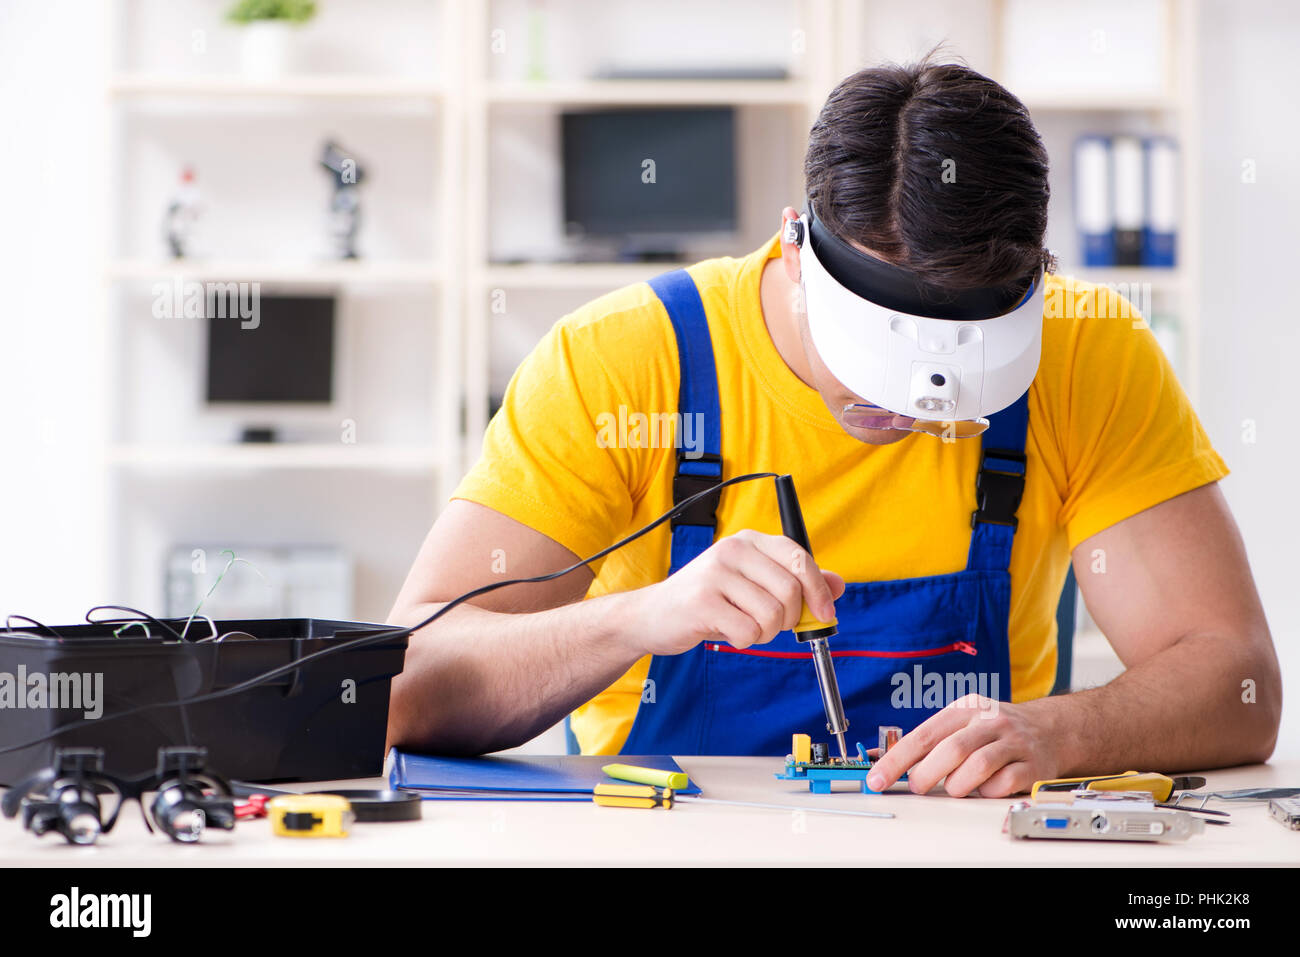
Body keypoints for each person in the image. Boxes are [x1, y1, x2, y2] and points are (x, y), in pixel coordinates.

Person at [385, 58, 1280, 798]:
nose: (906, 420)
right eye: (875, 381)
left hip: (966, 840)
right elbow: (403, 688)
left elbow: (1236, 682)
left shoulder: (1090, 354)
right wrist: (639, 618)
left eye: (953, 399)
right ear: (793, 250)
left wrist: (1066, 730)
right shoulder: (621, 362)